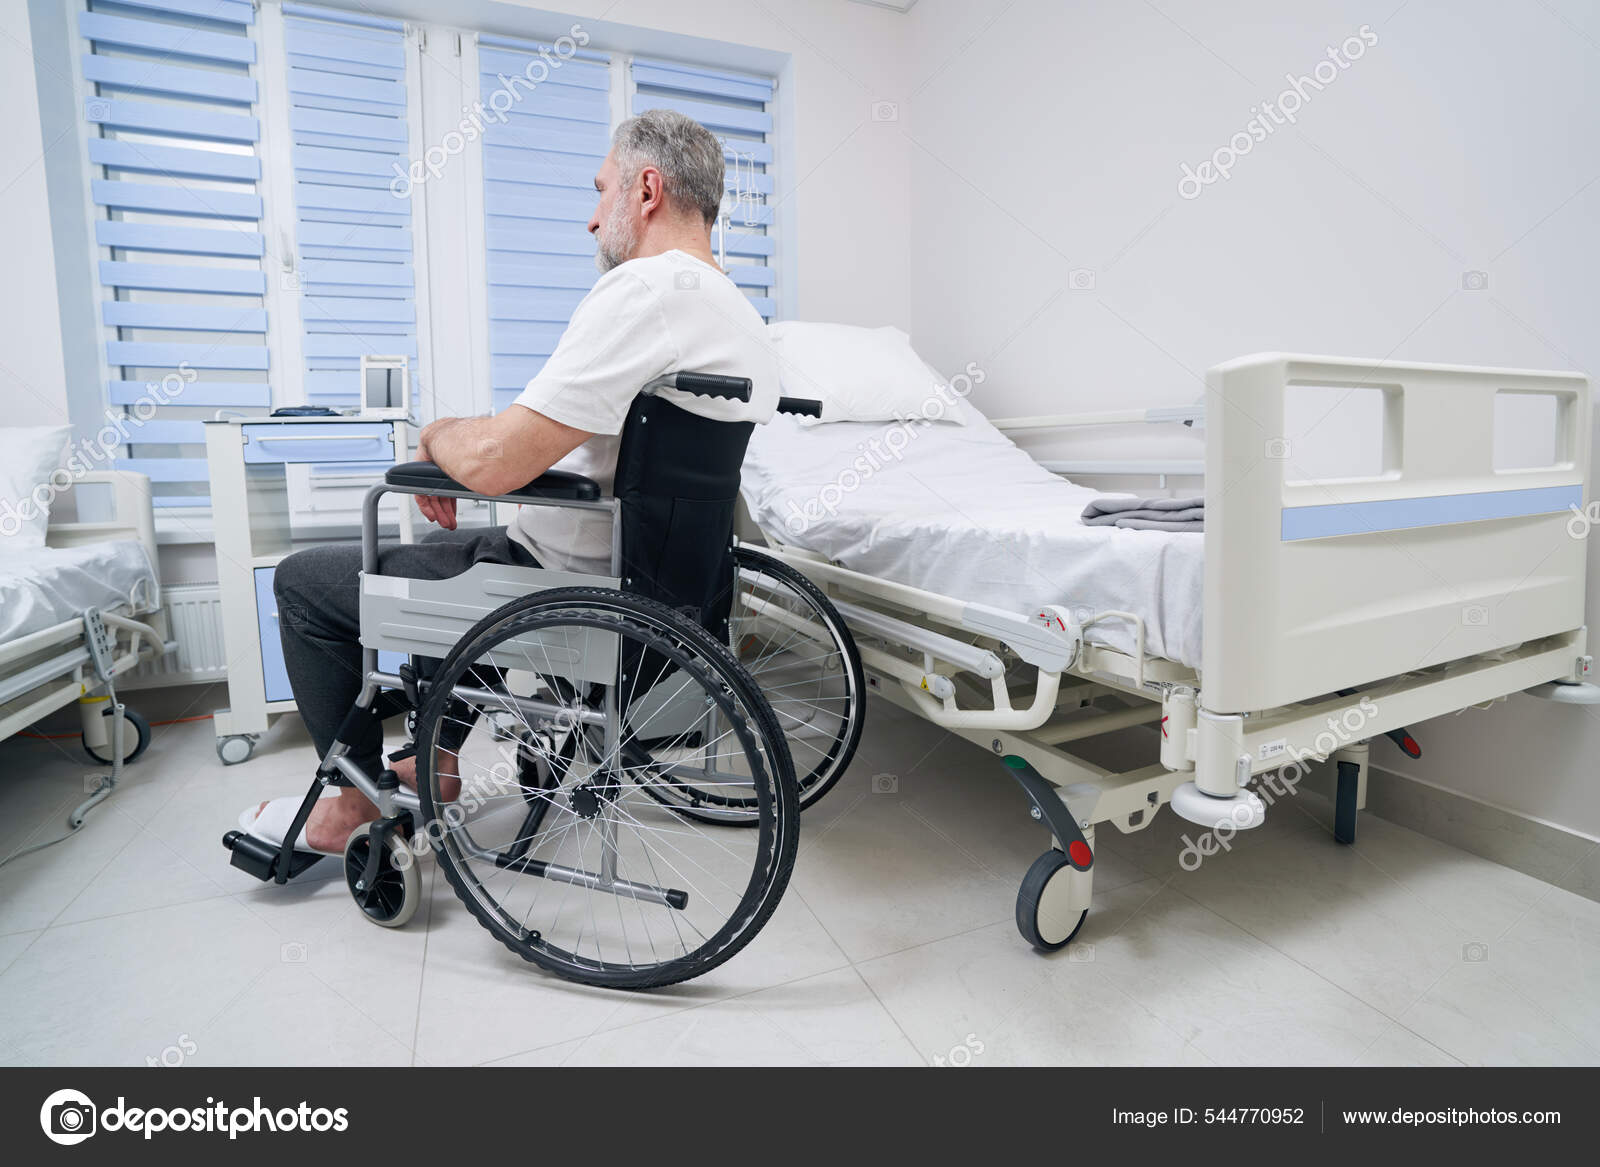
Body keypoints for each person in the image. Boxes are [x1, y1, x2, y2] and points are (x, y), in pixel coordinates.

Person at [242, 109, 779, 854]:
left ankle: (347, 801)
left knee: (305, 583)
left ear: (647, 189)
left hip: (566, 587)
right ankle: (437, 758)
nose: (593, 221)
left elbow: (497, 463)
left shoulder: (644, 292)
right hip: (662, 586)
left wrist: (435, 437)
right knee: (449, 547)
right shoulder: (742, 317)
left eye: (602, 192)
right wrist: (480, 461)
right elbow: (590, 451)